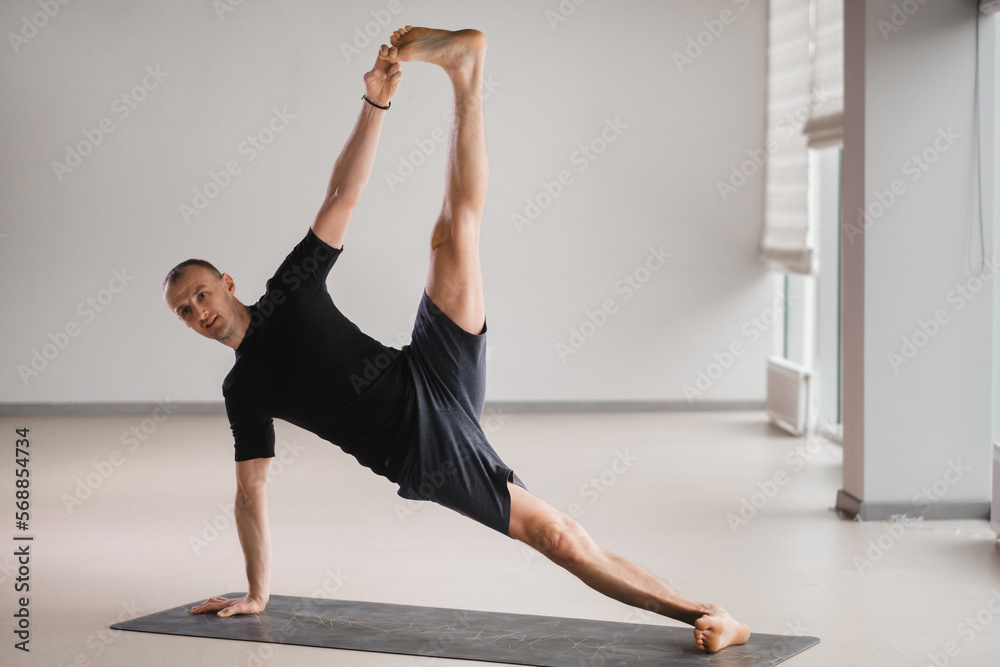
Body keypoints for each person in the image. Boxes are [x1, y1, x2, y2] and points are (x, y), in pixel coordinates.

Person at [162, 26, 750, 653]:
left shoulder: (290, 287)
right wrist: (258, 592)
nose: (199, 312)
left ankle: (465, 74)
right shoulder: (244, 389)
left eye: (202, 294)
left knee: (453, 233)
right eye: (185, 312)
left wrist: (376, 101)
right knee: (554, 535)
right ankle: (709, 614)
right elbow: (250, 493)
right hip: (422, 448)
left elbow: (343, 193)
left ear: (227, 284)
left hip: (428, 368)